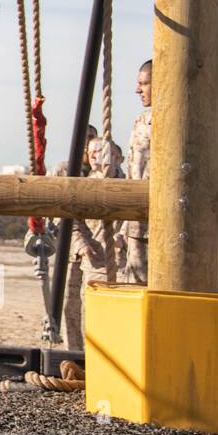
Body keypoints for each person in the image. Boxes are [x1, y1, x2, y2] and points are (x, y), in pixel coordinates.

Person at [120, 59, 218, 284]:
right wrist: (125, 224)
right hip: (141, 230)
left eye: (143, 83)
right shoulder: (141, 124)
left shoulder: (206, 126)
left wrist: (211, 233)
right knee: (138, 297)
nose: (137, 90)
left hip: (188, 233)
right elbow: (132, 176)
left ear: (161, 83)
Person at [60, 131, 123, 352]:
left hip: (124, 261)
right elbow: (69, 220)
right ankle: (79, 356)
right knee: (82, 309)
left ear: (117, 157)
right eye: (91, 152)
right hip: (93, 258)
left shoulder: (133, 184)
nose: (95, 156)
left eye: (101, 151)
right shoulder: (81, 184)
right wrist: (81, 245)